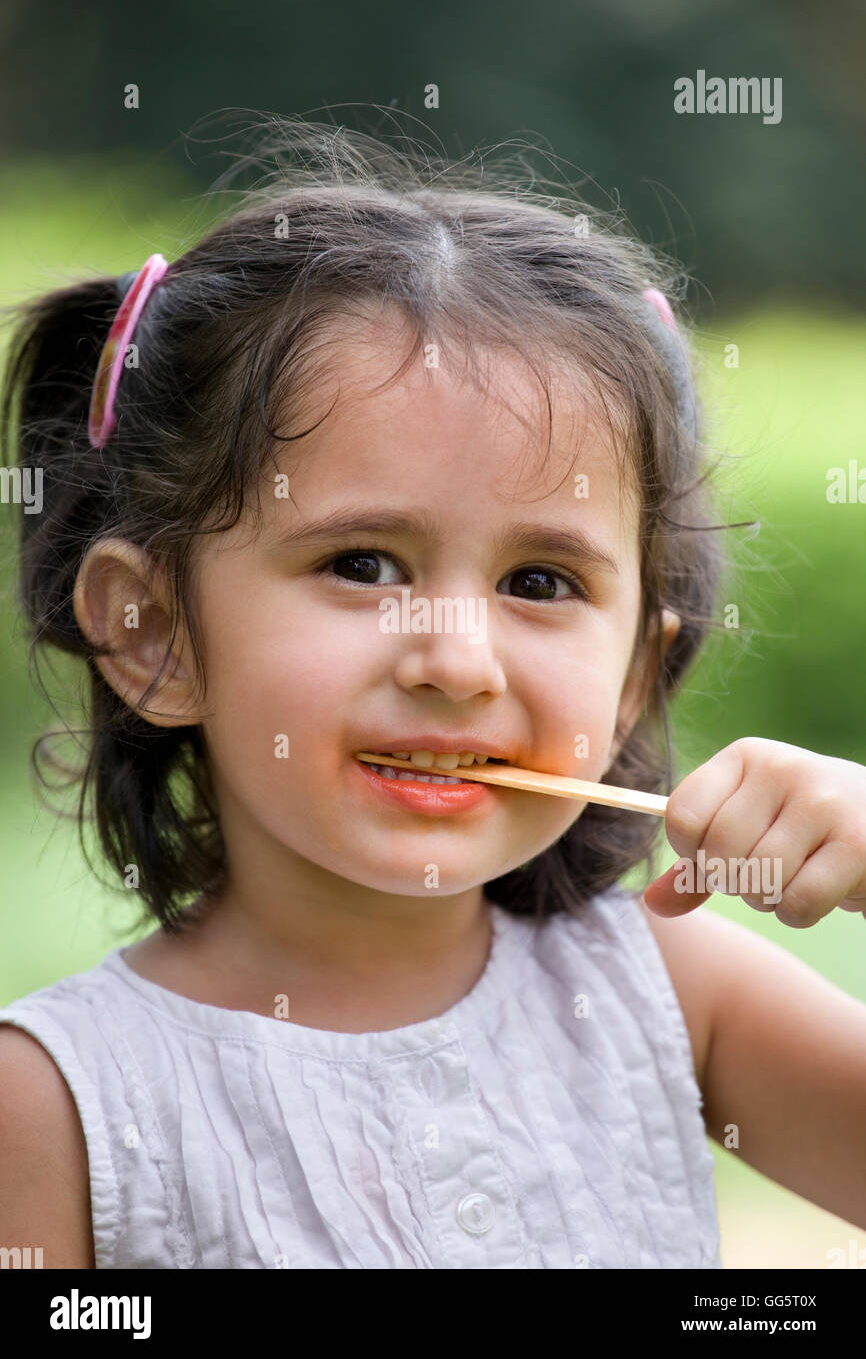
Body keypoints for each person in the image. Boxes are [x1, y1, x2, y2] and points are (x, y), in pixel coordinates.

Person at [1, 118, 865, 1270]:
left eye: (539, 581)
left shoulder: (667, 994)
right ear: (153, 632)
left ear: (631, 679)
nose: (454, 661)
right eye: (361, 563)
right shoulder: (57, 1102)